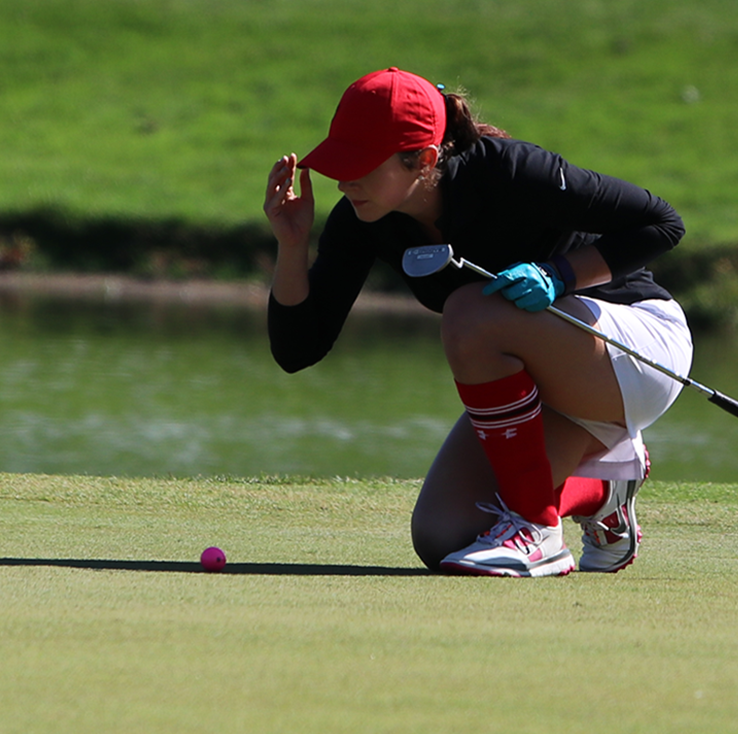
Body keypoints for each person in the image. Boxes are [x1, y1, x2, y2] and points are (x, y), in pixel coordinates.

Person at [262, 68, 691, 577]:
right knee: (444, 535)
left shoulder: (510, 171)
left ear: (422, 159)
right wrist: (291, 246)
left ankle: (538, 533)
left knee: (471, 311)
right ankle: (604, 490)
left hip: (637, 349)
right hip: (553, 387)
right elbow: (297, 350)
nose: (344, 179)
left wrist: (558, 275)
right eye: (341, 161)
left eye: (362, 164)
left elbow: (662, 223)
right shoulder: (363, 218)